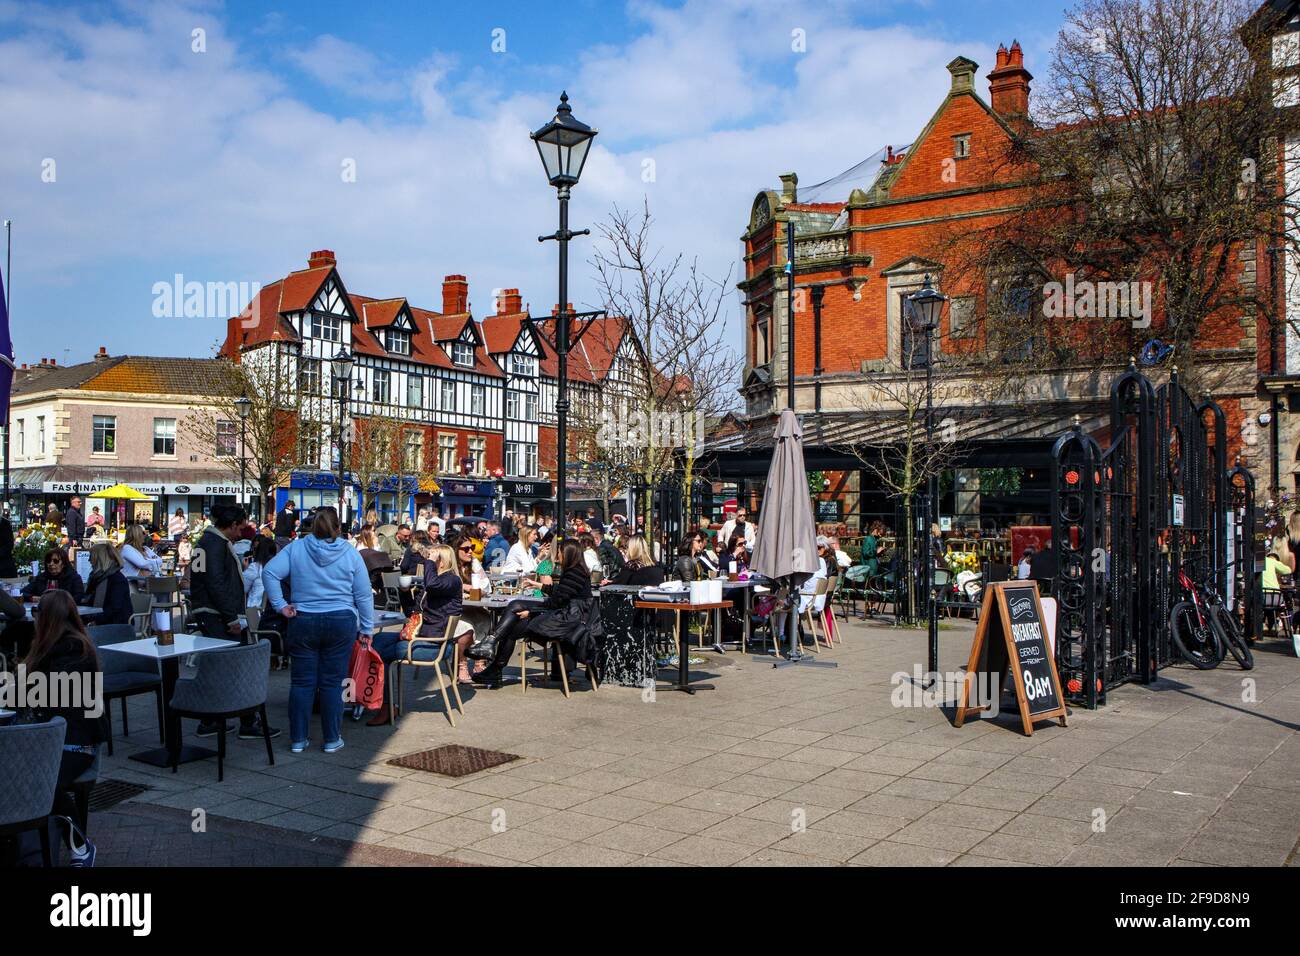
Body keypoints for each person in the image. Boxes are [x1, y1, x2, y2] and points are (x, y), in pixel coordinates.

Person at [263, 506, 374, 754]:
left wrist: (281, 605)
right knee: (333, 683)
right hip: (341, 620)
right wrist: (367, 628)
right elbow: (363, 594)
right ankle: (332, 739)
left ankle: (298, 740)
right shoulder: (350, 552)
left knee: (302, 683)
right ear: (338, 528)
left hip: (303, 620)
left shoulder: (297, 547)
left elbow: (269, 572)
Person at [17, 591, 109, 866]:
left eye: (37, 614)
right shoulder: (53, 647)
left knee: (41, 779)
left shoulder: (73, 652)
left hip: (76, 743)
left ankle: (80, 845)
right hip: (53, 739)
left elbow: (46, 696)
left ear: (47, 618)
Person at [191, 504, 277, 740]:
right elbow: (215, 583)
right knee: (239, 666)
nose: (240, 534)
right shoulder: (216, 545)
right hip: (218, 614)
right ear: (230, 525)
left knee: (221, 667)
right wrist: (231, 617)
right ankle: (246, 721)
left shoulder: (205, 542)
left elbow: (202, 578)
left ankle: (212, 719)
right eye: (239, 528)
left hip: (207, 611)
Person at [475, 540, 597, 689]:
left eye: (559, 551)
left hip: (566, 622)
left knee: (515, 609)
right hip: (565, 617)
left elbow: (556, 602)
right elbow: (561, 594)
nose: (557, 553)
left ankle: (491, 649)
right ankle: (493, 661)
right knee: (514, 617)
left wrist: (531, 612)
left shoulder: (574, 572)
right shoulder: (575, 570)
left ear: (568, 553)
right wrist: (539, 586)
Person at [84, 542, 132, 626]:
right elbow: (88, 601)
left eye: (91, 557)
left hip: (116, 625)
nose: (89, 560)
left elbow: (114, 609)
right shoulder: (97, 578)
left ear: (99, 559)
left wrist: (95, 621)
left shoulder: (117, 580)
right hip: (103, 620)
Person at [243, 535, 278, 611]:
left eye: (255, 549)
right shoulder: (279, 568)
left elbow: (243, 588)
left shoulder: (255, 567)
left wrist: (246, 569)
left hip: (255, 610)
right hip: (274, 610)